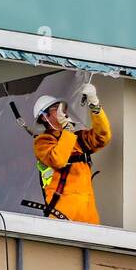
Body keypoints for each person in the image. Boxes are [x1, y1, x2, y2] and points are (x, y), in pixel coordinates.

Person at [31, 82, 111, 224]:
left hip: (87, 211)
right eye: (56, 108)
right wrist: (67, 130)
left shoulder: (77, 139)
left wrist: (94, 105)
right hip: (62, 212)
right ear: (44, 117)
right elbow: (58, 160)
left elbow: (103, 137)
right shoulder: (42, 141)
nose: (63, 111)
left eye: (63, 108)